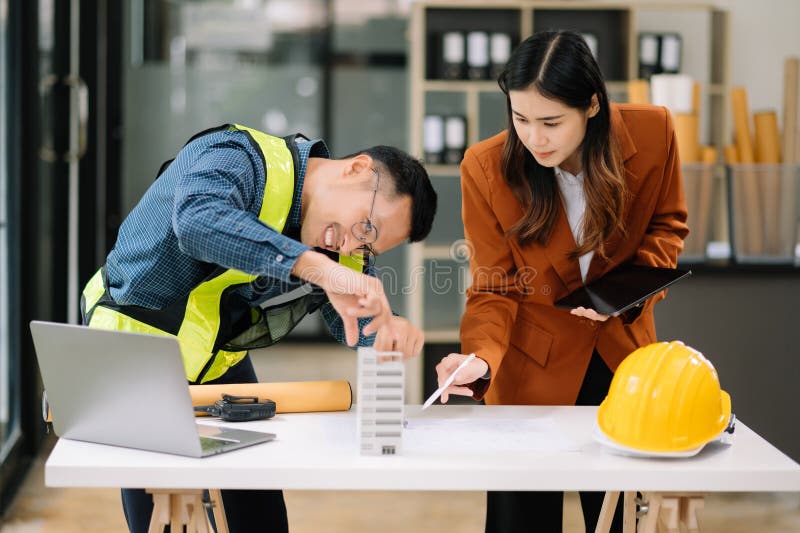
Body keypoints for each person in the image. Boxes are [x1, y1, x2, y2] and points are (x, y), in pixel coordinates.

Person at [80, 124, 437, 532]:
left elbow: (355, 321)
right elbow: (196, 222)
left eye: (368, 247)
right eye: (367, 228)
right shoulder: (238, 156)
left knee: (260, 506)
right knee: (167, 514)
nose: (354, 246)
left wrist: (387, 333)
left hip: (215, 360)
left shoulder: (342, 244)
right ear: (357, 169)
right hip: (135, 344)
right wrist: (313, 265)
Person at [433, 31, 688, 533]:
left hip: (624, 360)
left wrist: (628, 293)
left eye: (551, 122)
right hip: (531, 370)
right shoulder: (486, 167)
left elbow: (667, 225)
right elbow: (494, 286)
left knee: (622, 520)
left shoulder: (654, 132)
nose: (534, 138)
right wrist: (479, 356)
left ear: (591, 104)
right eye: (520, 119)